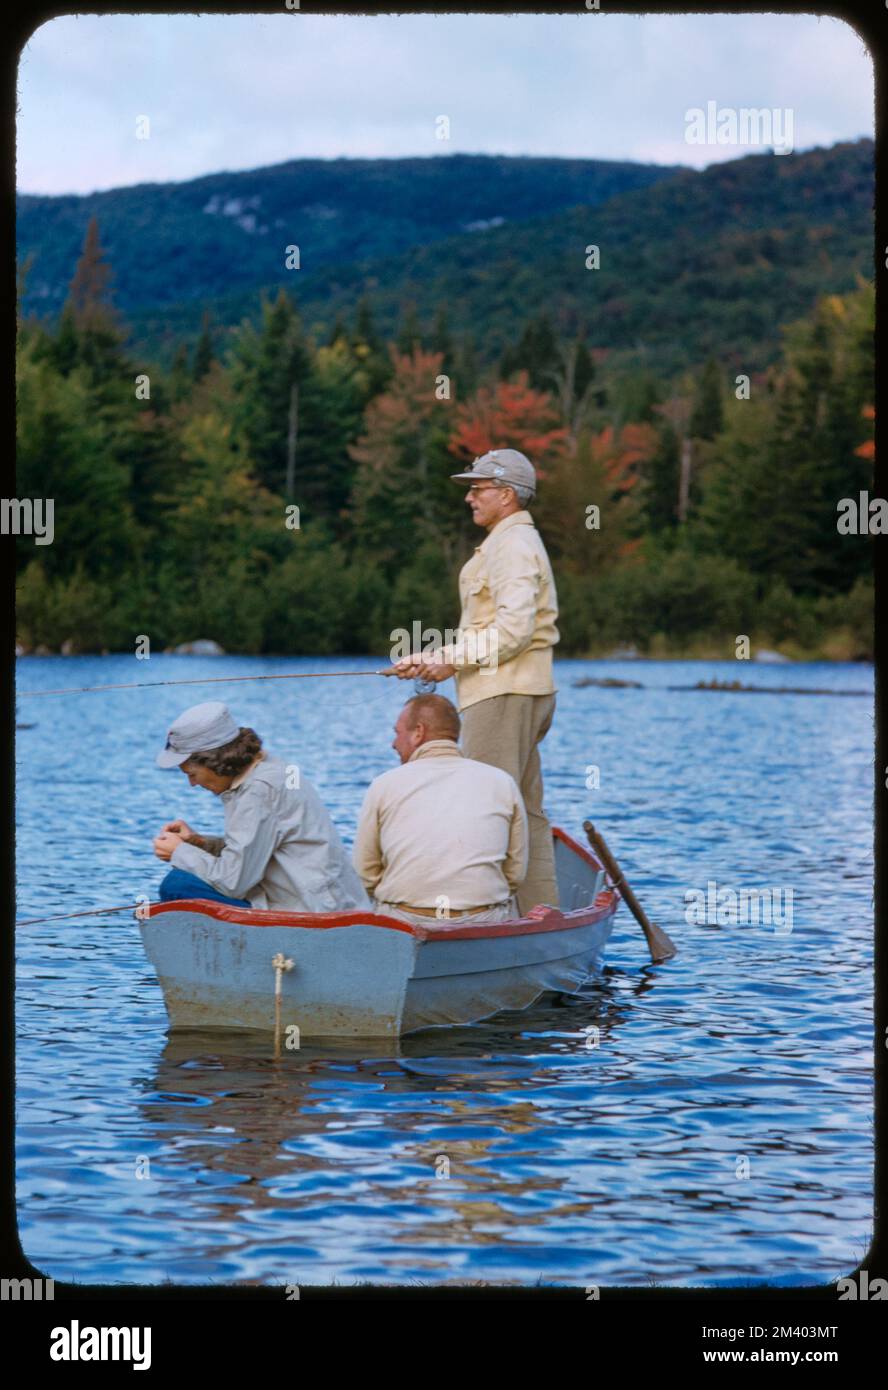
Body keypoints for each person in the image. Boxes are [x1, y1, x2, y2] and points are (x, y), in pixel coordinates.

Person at [393, 448, 560, 913]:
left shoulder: (512, 546)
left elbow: (513, 630)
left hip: (503, 693)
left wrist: (448, 662)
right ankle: (540, 916)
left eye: (477, 488)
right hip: (517, 689)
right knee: (523, 813)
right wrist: (437, 657)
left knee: (484, 810)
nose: (469, 497)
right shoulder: (508, 543)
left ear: (506, 495)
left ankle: (483, 919)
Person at [152, 700, 369, 913]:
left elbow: (233, 882)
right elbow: (253, 852)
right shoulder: (267, 769)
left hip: (312, 910)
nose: (192, 784)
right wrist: (198, 843)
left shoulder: (258, 791)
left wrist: (180, 852)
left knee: (178, 885)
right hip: (323, 902)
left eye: (192, 774)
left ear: (211, 761)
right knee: (185, 878)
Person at [353, 693, 528, 928]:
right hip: (483, 920)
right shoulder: (502, 782)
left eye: (397, 732)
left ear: (418, 732)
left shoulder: (384, 784)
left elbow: (365, 874)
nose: (393, 743)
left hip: (406, 921)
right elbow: (515, 874)